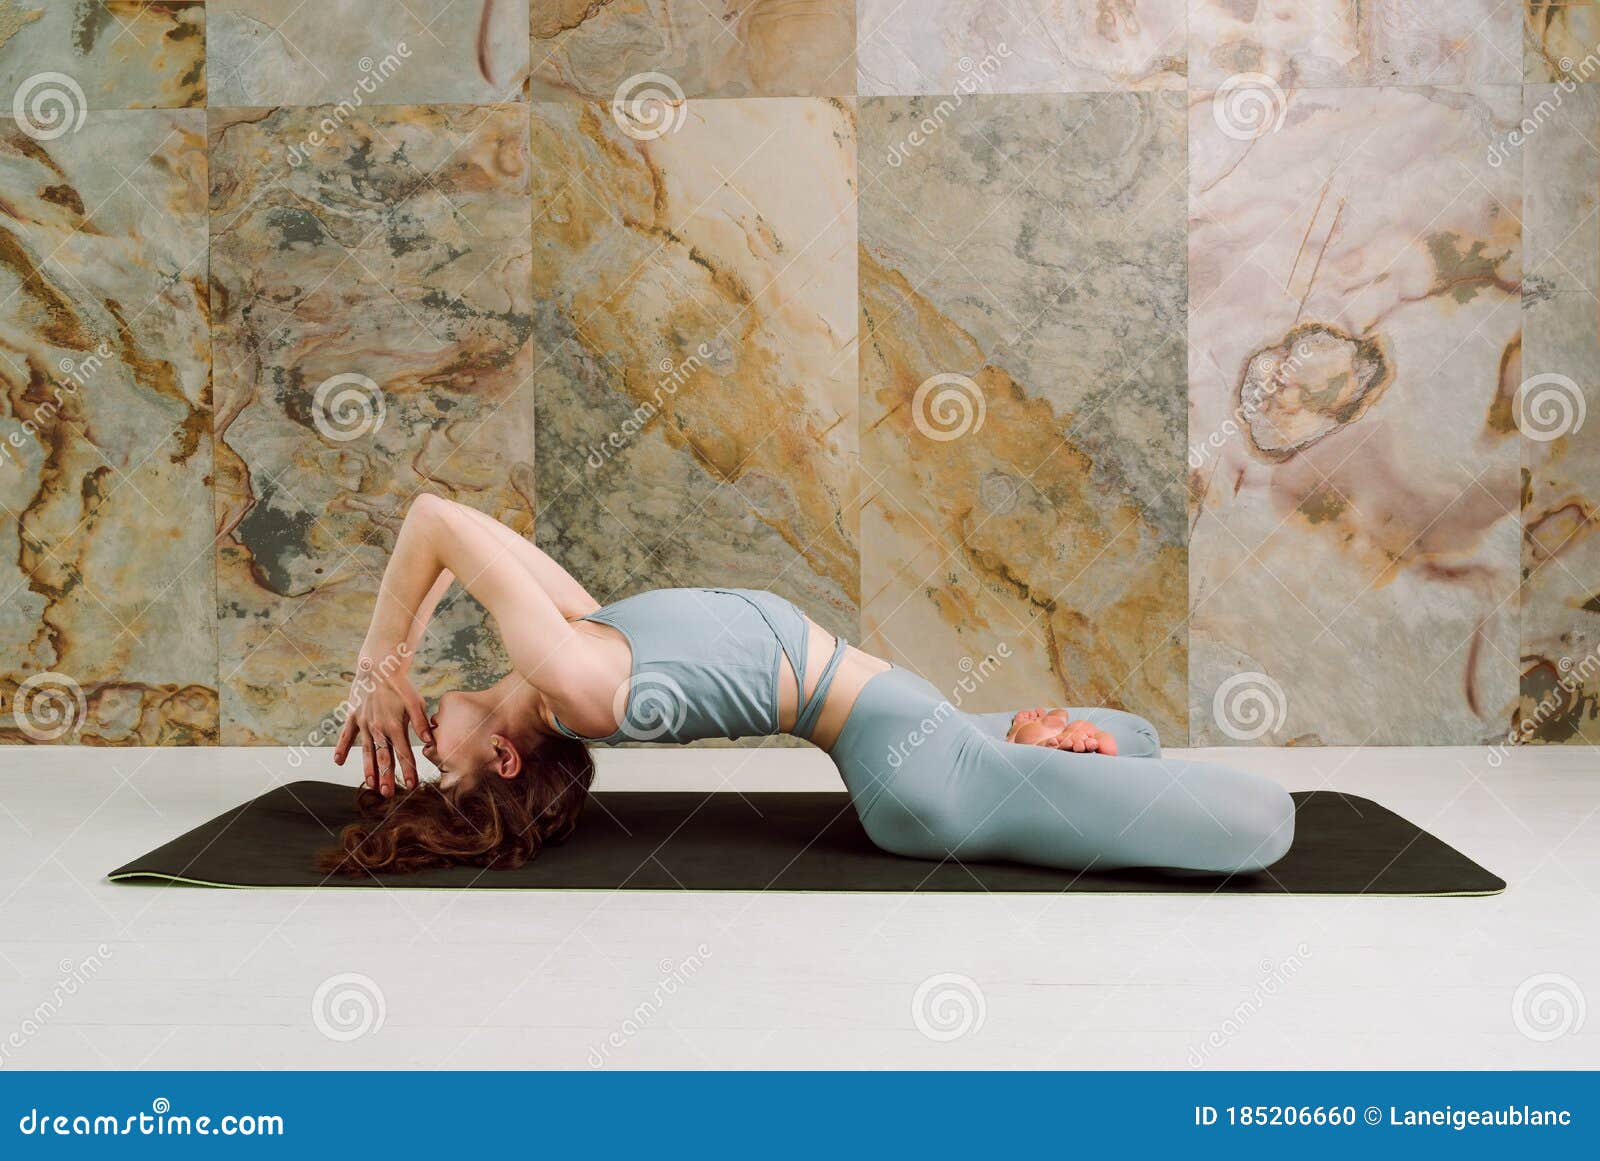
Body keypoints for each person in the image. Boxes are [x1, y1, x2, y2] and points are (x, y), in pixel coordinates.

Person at [324, 494, 1295, 876]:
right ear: (501, 756)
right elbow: (434, 524)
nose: (413, 737)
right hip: (919, 779)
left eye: (407, 749)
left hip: (926, 736)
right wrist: (380, 670)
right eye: (431, 765)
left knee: (1128, 734)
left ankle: (1023, 763)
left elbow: (456, 530)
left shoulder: (580, 638)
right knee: (1263, 824)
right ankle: (1015, 771)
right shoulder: (576, 681)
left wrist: (388, 666)